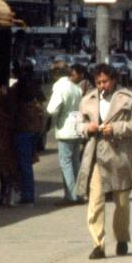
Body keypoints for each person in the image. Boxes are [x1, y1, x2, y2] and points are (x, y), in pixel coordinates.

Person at [73, 64, 132, 259]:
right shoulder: (87, 100)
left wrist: (116, 128)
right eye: (98, 82)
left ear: (113, 80)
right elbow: (77, 124)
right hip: (96, 156)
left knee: (121, 203)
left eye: (105, 81)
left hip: (119, 156)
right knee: (95, 200)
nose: (102, 85)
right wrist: (88, 128)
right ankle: (99, 244)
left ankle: (122, 238)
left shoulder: (129, 98)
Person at [46, 63, 87, 204]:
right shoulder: (76, 88)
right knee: (75, 162)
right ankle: (79, 194)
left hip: (66, 128)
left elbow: (52, 109)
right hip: (78, 126)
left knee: (66, 163)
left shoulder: (60, 87)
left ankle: (71, 195)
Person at [9, 65, 45, 204]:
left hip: (23, 128)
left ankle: (27, 195)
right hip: (34, 128)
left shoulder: (20, 87)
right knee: (27, 163)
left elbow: (11, 105)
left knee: (23, 163)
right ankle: (28, 193)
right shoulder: (34, 85)